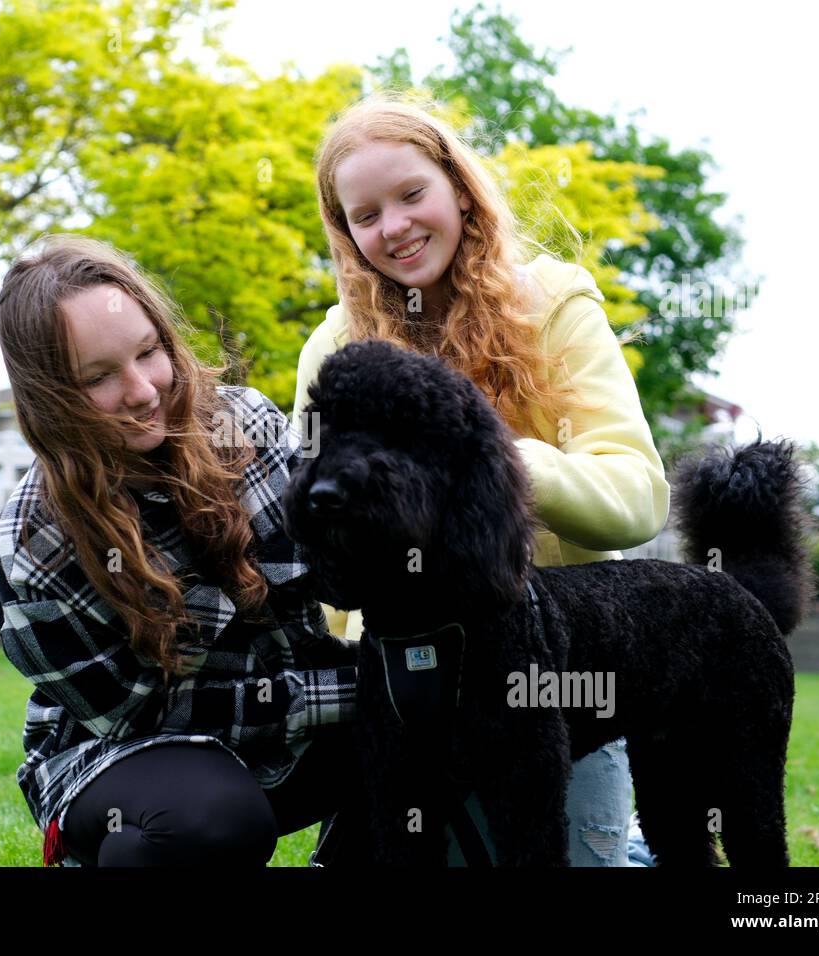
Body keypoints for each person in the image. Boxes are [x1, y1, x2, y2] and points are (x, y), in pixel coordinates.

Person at [293, 93, 669, 867]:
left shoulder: (553, 303)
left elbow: (638, 498)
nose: (392, 227)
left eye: (411, 194)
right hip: (407, 678)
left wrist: (503, 465)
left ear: (459, 188)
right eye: (365, 215)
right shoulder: (332, 345)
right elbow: (321, 531)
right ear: (345, 231)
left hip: (556, 670)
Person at [0, 234, 363, 867]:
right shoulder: (35, 542)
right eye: (98, 377)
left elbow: (347, 574)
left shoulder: (245, 423)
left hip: (298, 716)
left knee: (439, 720)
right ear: (49, 397)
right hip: (130, 760)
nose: (141, 391)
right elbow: (145, 714)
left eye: (148, 352)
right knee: (209, 819)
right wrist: (352, 689)